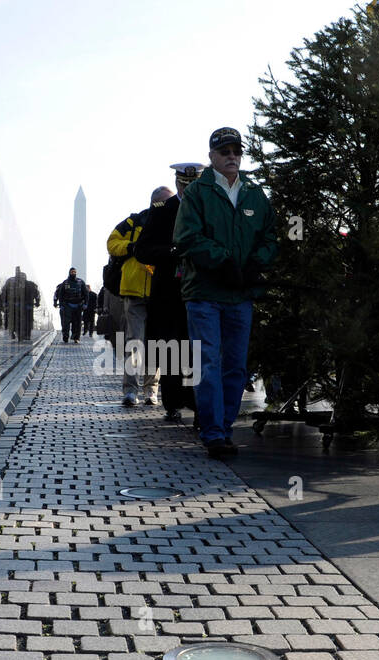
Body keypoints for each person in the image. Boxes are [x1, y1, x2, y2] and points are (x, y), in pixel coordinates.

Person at [173, 128, 278, 458]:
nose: (232, 156)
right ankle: (214, 433)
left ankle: (225, 428)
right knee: (208, 363)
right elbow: (187, 238)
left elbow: (270, 237)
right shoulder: (197, 194)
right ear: (212, 157)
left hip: (240, 295)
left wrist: (253, 266)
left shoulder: (255, 195)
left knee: (235, 366)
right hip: (204, 294)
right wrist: (223, 263)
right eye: (225, 151)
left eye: (236, 150)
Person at [136, 163, 204, 424]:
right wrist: (172, 252)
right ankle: (173, 403)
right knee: (170, 348)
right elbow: (142, 250)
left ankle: (199, 404)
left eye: (193, 184)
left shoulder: (208, 207)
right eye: (184, 185)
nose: (188, 189)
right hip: (168, 292)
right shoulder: (162, 211)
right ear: (177, 184)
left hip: (199, 288)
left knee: (196, 349)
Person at [109, 189, 171, 406]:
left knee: (156, 343)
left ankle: (151, 391)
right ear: (154, 202)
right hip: (134, 290)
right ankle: (130, 390)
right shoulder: (133, 221)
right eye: (163, 202)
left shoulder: (175, 221)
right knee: (135, 342)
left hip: (161, 291)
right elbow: (112, 242)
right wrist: (132, 248)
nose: (167, 205)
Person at [54, 267, 88, 343]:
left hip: (78, 306)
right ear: (69, 272)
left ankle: (76, 337)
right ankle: (65, 336)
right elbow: (60, 294)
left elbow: (86, 294)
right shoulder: (65, 283)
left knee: (77, 323)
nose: (73, 273)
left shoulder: (81, 282)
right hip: (67, 305)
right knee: (66, 323)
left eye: (74, 272)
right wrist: (61, 304)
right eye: (72, 272)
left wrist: (85, 303)